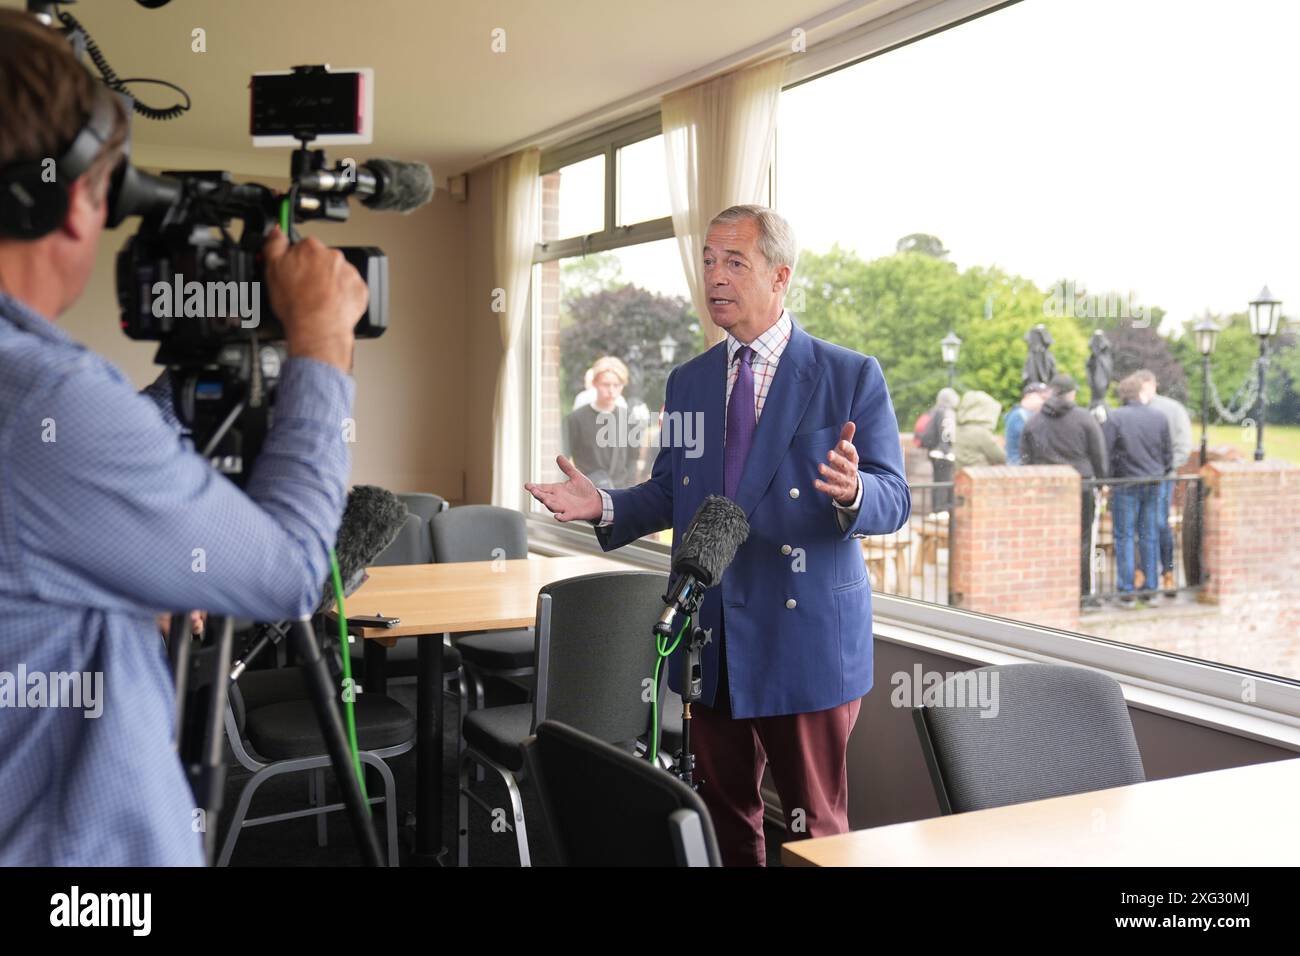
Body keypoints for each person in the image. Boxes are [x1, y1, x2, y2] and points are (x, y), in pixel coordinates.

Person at [0, 10, 367, 865]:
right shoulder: (43, 395)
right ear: (56, 200)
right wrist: (320, 345)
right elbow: (285, 570)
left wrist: (193, 384)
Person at [526, 205, 911, 866]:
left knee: (816, 830)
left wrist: (854, 492)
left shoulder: (849, 375)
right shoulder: (690, 382)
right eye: (708, 260)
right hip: (712, 634)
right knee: (724, 818)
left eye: (735, 261)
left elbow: (894, 496)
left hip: (806, 636)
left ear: (779, 276)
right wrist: (605, 505)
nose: (715, 275)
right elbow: (672, 491)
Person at [1021, 374, 1108, 599]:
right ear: (1071, 393)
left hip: (1045, 490)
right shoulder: (1085, 419)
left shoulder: (1033, 421)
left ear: (1050, 392)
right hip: (1083, 488)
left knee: (1046, 539)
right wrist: (1102, 481)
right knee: (1084, 541)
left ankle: (1047, 591)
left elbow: (1026, 459)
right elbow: (1099, 455)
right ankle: (1084, 593)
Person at [1102, 374, 1172, 603]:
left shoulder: (1115, 418)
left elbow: (1107, 454)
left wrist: (1109, 479)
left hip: (1125, 484)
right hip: (1153, 483)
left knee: (1124, 536)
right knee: (1149, 535)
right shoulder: (1159, 417)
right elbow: (1168, 455)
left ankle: (1127, 590)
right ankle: (1151, 587)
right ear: (1140, 391)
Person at [1134, 369, 1192, 595]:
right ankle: (1143, 571)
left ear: (1152, 384)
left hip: (1162, 479)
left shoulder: (1172, 409)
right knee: (1138, 526)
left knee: (1159, 523)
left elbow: (1183, 446)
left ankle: (1167, 573)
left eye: (1144, 386)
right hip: (1136, 478)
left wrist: (1164, 470)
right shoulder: (1132, 408)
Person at [563, 355, 637, 488]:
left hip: (620, 494)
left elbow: (632, 461)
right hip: (586, 492)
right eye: (606, 384)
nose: (611, 390)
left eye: (617, 385)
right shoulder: (576, 419)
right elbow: (564, 458)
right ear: (595, 383)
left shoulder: (628, 419)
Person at [919, 387, 958, 512]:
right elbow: (946, 434)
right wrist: (946, 451)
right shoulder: (946, 412)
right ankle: (940, 510)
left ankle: (937, 510)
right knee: (944, 481)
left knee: (938, 482)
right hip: (943, 453)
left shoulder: (935, 411)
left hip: (934, 452)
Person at [953, 390, 1006, 468]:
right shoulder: (981, 433)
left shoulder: (957, 429)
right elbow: (1001, 457)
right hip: (979, 475)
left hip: (959, 475)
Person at [1003, 381, 1049, 465]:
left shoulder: (1023, 413)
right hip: (1018, 467)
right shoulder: (1020, 415)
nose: (1045, 402)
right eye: (1042, 398)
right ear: (1028, 396)